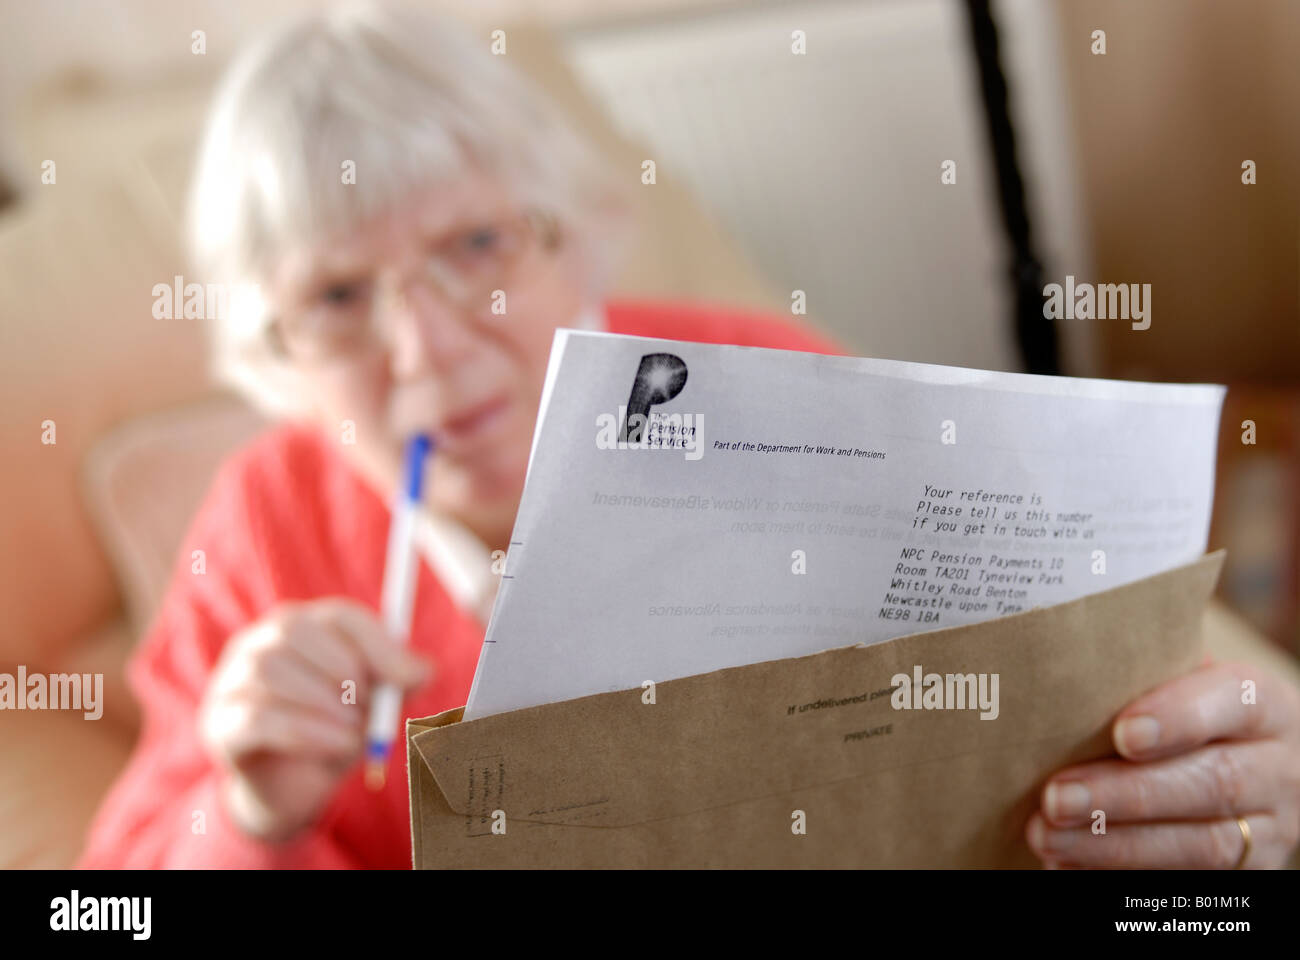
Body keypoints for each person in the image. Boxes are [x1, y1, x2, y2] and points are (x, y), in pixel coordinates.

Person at [78, 2, 1299, 869]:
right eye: (338, 300)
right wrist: (248, 819)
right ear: (269, 355)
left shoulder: (760, 380)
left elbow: (1058, 698)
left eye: (474, 247)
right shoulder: (263, 525)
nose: (429, 351)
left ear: (574, 235)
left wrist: (1206, 790)